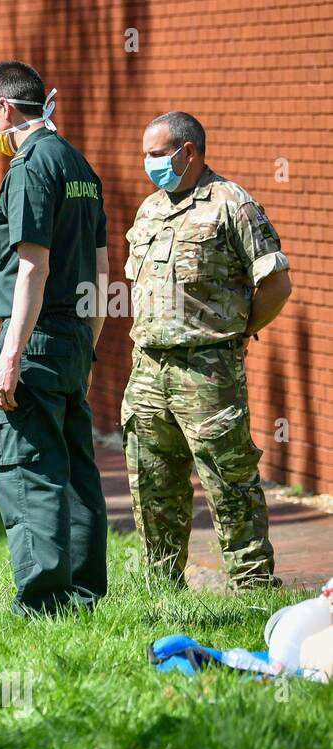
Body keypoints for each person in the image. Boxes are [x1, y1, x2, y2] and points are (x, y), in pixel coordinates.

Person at [122, 111, 292, 590]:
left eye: (156, 154)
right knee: (152, 481)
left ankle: (253, 586)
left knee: (228, 479)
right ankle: (161, 588)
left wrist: (236, 332)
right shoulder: (150, 210)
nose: (148, 163)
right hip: (149, 369)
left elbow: (276, 283)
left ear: (188, 152)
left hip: (208, 372)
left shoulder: (230, 203)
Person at [0, 60, 108, 615]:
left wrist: (9, 358)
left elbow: (32, 266)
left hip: (33, 338)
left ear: (5, 108)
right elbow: (101, 270)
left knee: (29, 468)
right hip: (74, 338)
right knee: (75, 467)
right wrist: (89, 346)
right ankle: (82, 594)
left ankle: (42, 602)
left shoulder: (30, 168)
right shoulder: (78, 165)